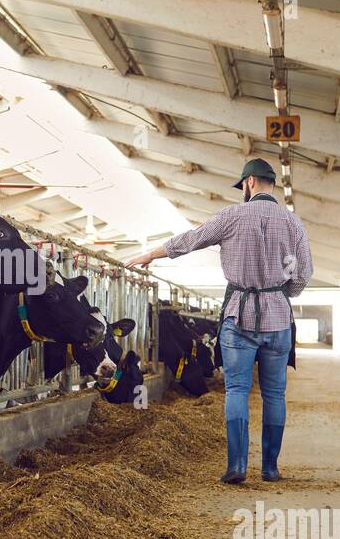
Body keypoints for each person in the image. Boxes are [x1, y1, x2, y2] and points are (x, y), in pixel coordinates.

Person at [129, 158, 313, 484]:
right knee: (274, 395)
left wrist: (148, 255)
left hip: (239, 316)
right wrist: (282, 293)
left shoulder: (232, 216)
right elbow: (303, 275)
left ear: (250, 183)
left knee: (237, 390)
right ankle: (270, 469)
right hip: (278, 319)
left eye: (243, 184)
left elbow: (190, 239)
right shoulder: (293, 223)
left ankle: (237, 466)